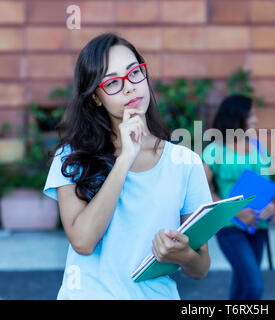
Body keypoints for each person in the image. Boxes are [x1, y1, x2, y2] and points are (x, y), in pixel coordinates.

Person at [42, 33, 212, 299]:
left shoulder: (185, 162)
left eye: (135, 73)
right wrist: (124, 160)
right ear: (96, 97)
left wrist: (184, 255)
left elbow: (201, 268)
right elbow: (83, 241)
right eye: (112, 82)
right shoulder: (71, 157)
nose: (130, 87)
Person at [202, 94, 275, 300]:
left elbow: (267, 188)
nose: (256, 120)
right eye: (251, 115)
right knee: (254, 286)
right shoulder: (214, 150)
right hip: (229, 227)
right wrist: (235, 212)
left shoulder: (259, 148)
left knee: (243, 281)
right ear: (237, 118)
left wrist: (272, 207)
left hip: (257, 226)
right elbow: (202, 190)